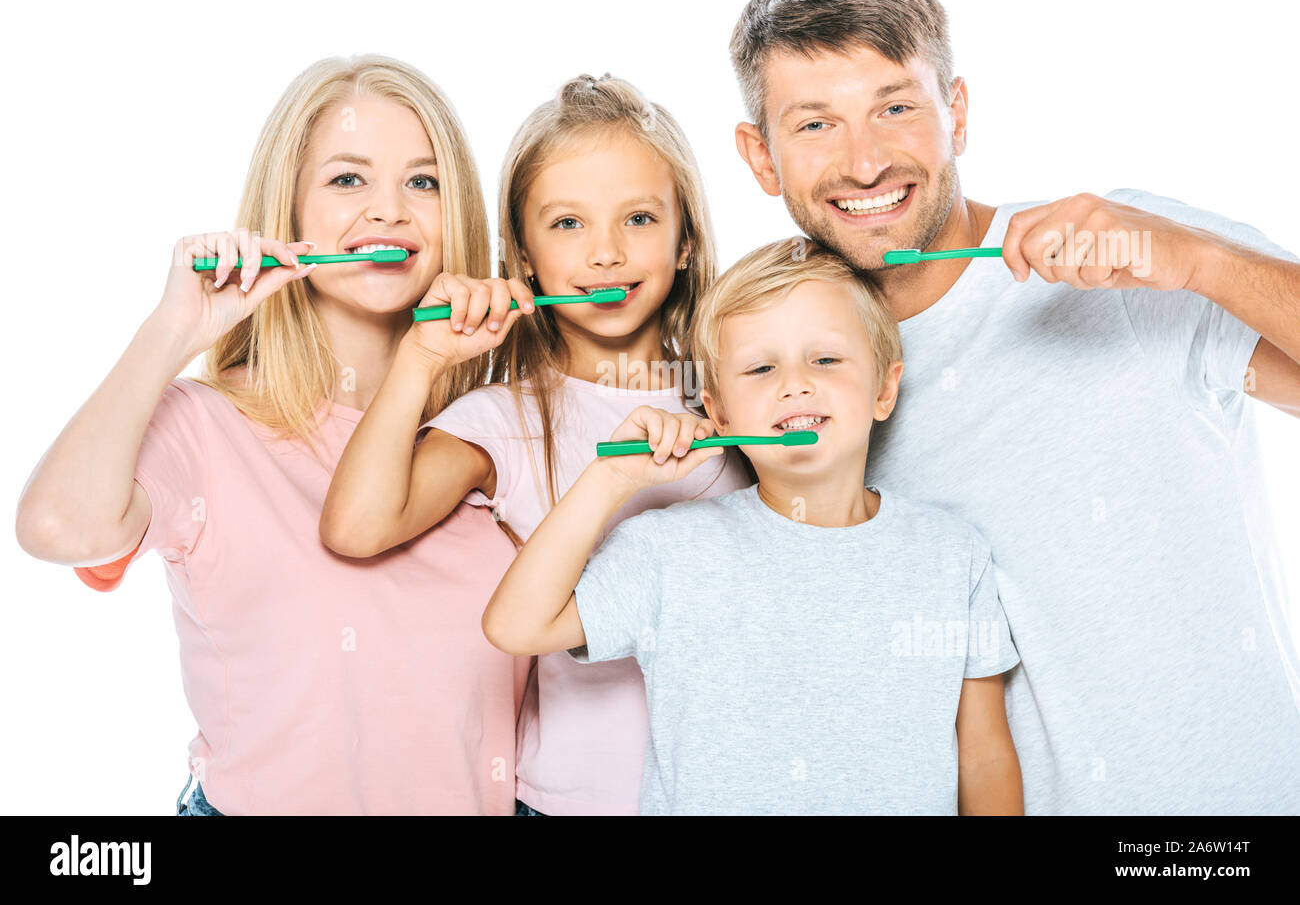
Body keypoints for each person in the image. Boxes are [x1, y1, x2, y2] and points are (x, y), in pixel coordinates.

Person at [728, 0, 1300, 812]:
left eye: (896, 107)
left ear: (956, 112)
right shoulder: (781, 384)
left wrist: (1196, 258)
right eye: (814, 124)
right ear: (760, 156)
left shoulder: (1127, 253)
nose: (866, 162)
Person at [15, 54, 528, 815]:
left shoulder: (497, 430)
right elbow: (58, 526)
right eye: (348, 180)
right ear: (287, 213)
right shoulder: (207, 426)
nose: (388, 211)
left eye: (422, 182)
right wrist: (173, 329)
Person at [321, 73, 753, 815]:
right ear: (521, 256)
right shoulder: (504, 419)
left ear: (687, 240)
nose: (608, 254)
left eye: (640, 218)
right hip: (575, 801)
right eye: (567, 225)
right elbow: (357, 526)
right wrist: (421, 357)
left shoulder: (743, 391)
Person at [481, 239, 1024, 814]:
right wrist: (609, 479)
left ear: (885, 389)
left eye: (826, 360)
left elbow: (983, 753)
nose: (795, 385)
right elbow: (516, 626)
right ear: (719, 414)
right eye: (761, 368)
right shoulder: (671, 550)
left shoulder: (951, 554)